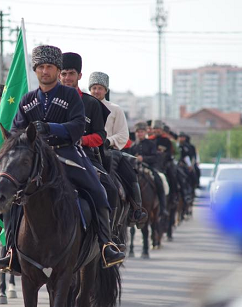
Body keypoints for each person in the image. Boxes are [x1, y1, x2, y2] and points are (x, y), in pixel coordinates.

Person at [0, 45, 125, 272]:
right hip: (34, 159)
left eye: (49, 67)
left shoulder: (71, 95)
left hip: (66, 154)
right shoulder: (26, 99)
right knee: (11, 193)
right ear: (35, 70)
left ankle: (105, 245)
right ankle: (11, 252)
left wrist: (50, 127)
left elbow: (78, 126)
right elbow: (15, 131)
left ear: (57, 70)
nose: (45, 71)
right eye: (40, 67)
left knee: (100, 190)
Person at [59, 52, 126, 229]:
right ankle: (11, 248)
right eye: (64, 73)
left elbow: (100, 136)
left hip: (85, 156)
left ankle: (107, 240)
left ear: (79, 76)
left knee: (110, 190)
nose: (67, 78)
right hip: (52, 156)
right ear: (59, 74)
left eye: (71, 73)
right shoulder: (48, 100)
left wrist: (82, 140)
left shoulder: (92, 103)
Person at [88, 71, 145, 224]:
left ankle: (136, 209)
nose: (96, 91)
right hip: (86, 149)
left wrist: (108, 141)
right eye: (93, 88)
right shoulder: (83, 105)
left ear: (106, 90)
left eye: (100, 88)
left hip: (109, 151)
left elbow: (123, 134)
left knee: (130, 174)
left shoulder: (115, 109)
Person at [129, 123, 169, 216]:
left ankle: (163, 208)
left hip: (150, 167)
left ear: (145, 132)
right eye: (138, 132)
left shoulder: (151, 144)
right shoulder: (133, 146)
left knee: (159, 180)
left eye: (142, 132)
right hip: (136, 169)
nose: (140, 134)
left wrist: (143, 158)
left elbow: (155, 157)